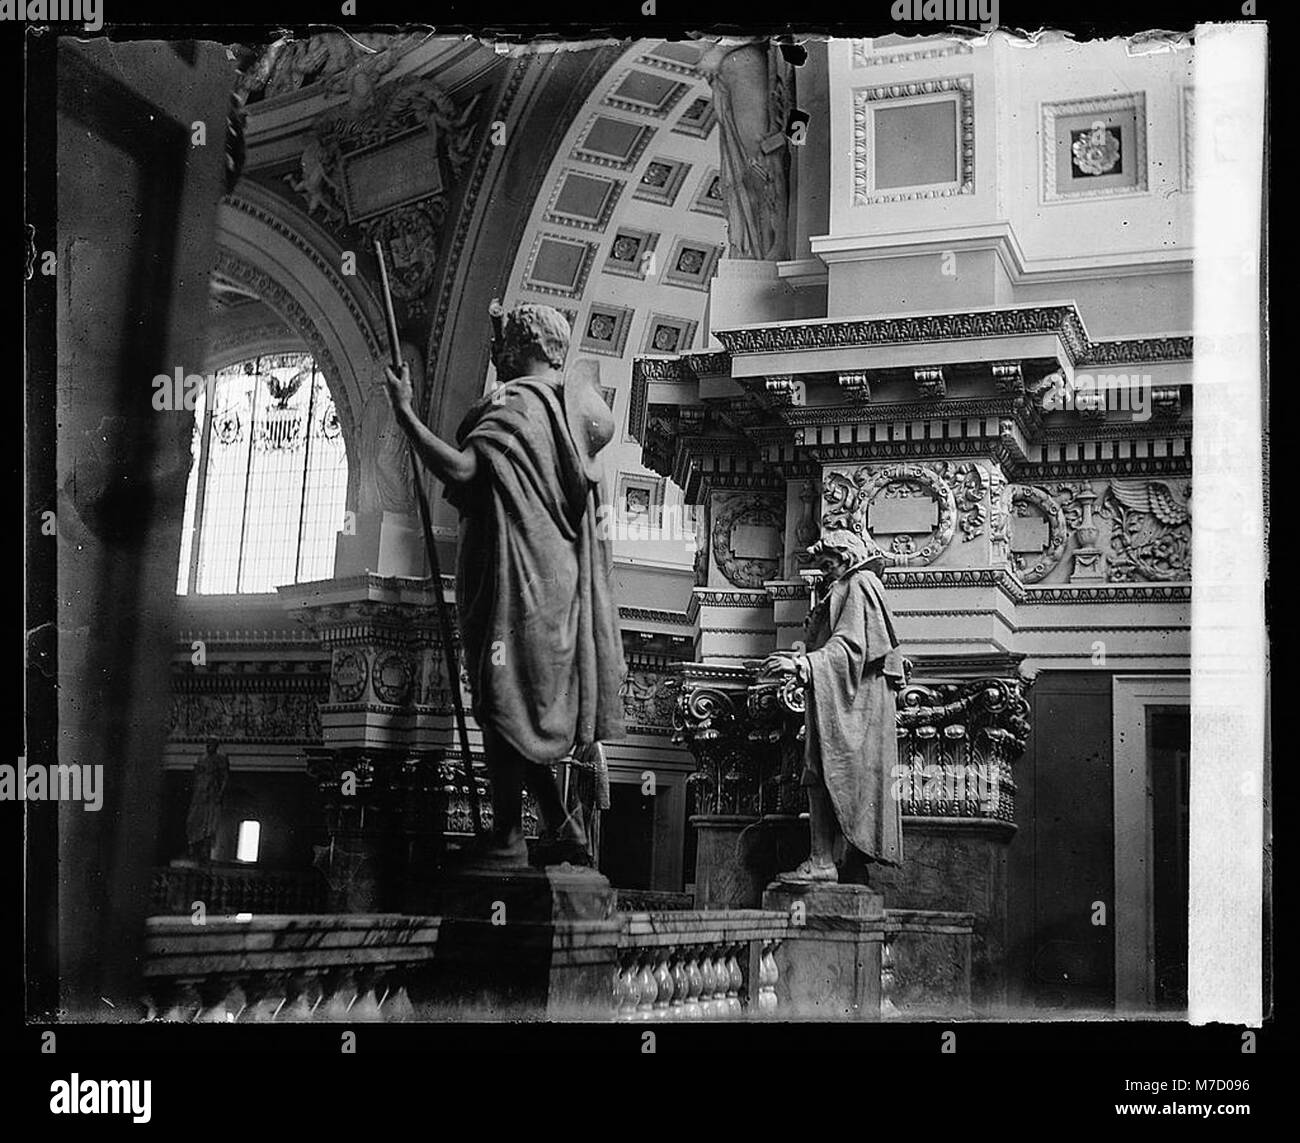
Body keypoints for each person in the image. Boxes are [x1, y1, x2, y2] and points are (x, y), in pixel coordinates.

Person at [384, 304, 626, 868]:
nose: (497, 356)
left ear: (528, 348)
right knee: (518, 709)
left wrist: (406, 418)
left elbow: (464, 472)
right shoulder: (572, 413)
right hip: (557, 591)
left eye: (506, 346)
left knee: (501, 702)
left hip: (514, 583)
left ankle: (510, 835)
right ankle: (562, 827)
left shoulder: (516, 405)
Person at [760, 530, 905, 884]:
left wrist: (802, 666)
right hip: (840, 694)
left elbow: (852, 646)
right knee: (822, 767)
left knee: (827, 767)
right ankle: (838, 860)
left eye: (828, 565)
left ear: (848, 559)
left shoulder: (859, 584)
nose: (824, 573)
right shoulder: (845, 588)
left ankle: (824, 860)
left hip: (855, 699)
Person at [185, 737, 230, 864]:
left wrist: (220, 794)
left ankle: (205, 848)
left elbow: (224, 777)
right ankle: (192, 846)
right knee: (193, 819)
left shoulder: (220, 759)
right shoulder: (201, 758)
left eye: (213, 744)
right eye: (208, 744)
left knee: (209, 821)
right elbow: (196, 775)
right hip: (200, 793)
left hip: (211, 793)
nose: (210, 746)